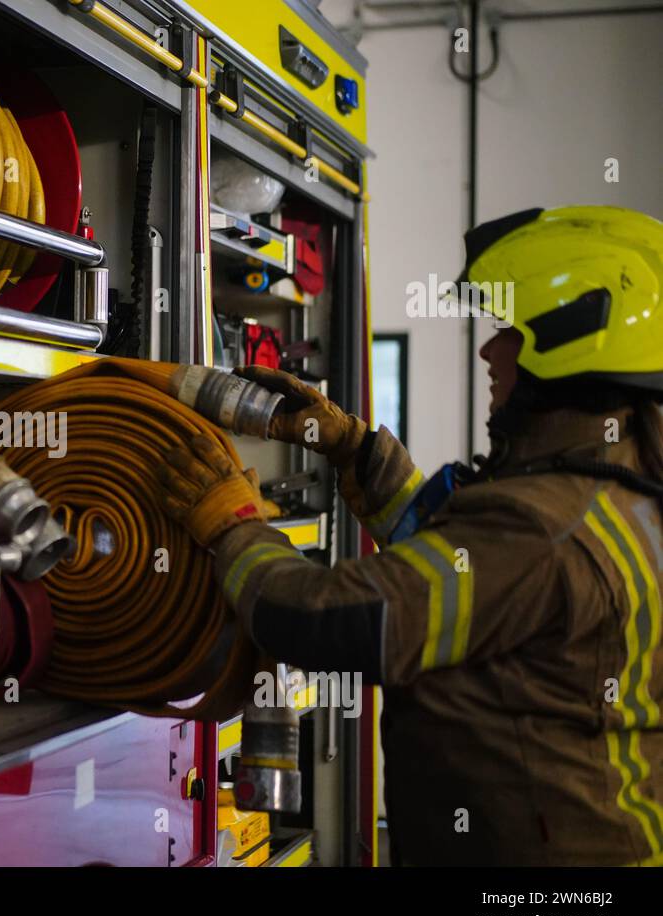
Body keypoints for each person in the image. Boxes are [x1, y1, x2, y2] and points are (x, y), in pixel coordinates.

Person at [160, 206, 663, 865]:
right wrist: (356, 448)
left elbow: (319, 621)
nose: (488, 349)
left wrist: (229, 524)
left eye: (507, 330)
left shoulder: (542, 525)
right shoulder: (613, 498)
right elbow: (459, 576)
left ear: (567, 346)